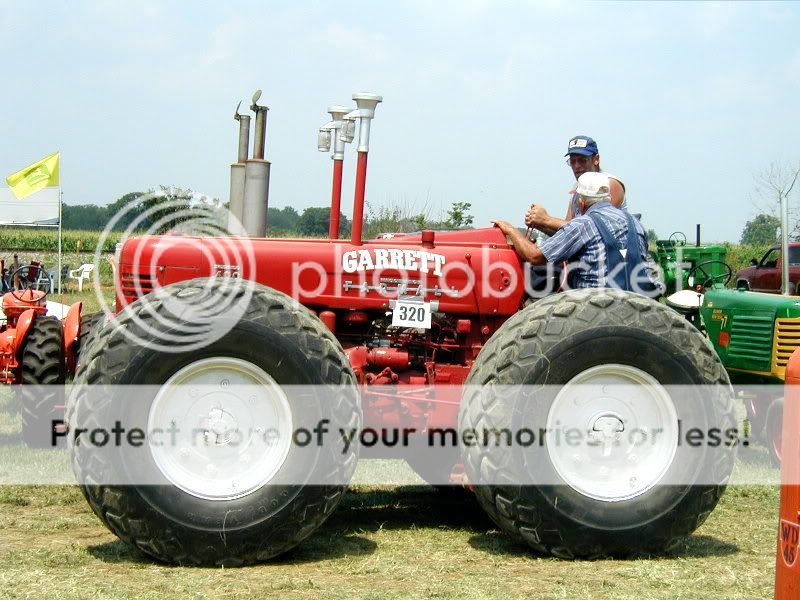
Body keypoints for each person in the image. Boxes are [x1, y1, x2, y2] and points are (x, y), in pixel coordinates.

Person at [492, 172, 654, 293]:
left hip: (595, 303)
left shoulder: (583, 224)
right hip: (635, 299)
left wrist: (510, 230)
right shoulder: (635, 223)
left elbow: (534, 256)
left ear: (581, 202)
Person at [525, 135, 626, 236]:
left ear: (596, 159)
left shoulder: (609, 184)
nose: (577, 166)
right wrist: (539, 223)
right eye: (573, 161)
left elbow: (595, 228)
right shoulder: (577, 190)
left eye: (582, 160)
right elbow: (567, 232)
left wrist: (546, 219)